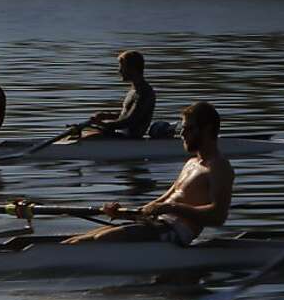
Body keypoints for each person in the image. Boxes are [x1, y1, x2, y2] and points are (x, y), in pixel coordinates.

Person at [63, 101, 233, 245]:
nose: (182, 134)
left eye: (188, 129)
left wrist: (171, 208)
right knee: (79, 240)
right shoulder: (191, 163)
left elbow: (218, 216)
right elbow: (158, 204)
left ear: (207, 130)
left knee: (97, 239)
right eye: (183, 128)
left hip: (174, 232)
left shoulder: (219, 167)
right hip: (156, 224)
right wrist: (124, 212)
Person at [82, 50, 155, 139]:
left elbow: (130, 121)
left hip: (130, 138)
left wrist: (102, 124)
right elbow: (127, 115)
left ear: (132, 68)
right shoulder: (135, 89)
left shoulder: (144, 92)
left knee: (88, 136)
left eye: (122, 67)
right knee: (84, 131)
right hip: (121, 134)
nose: (119, 70)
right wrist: (106, 115)